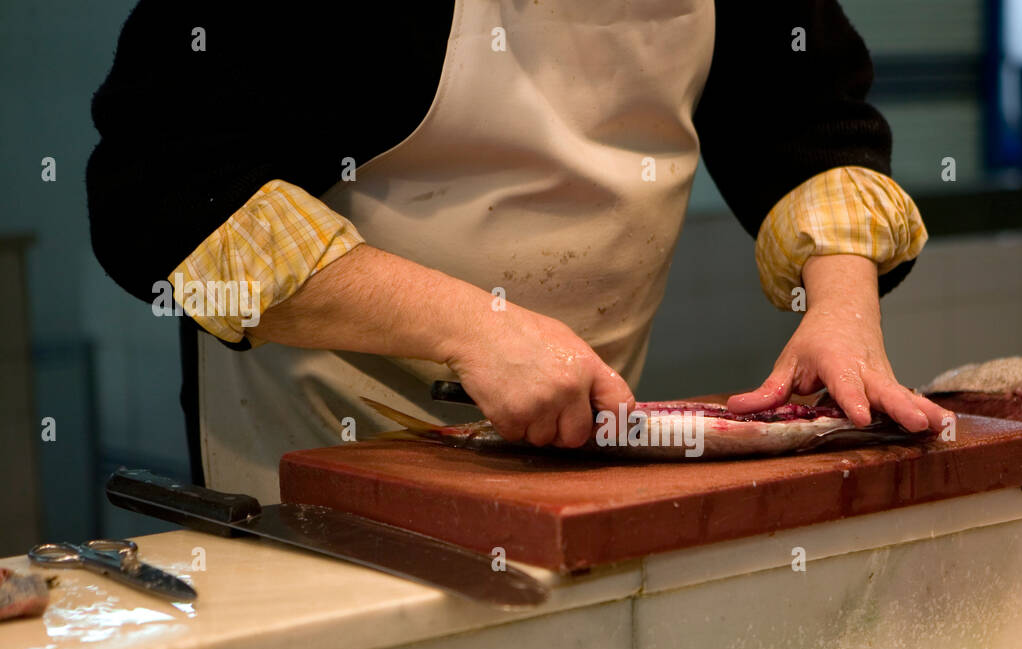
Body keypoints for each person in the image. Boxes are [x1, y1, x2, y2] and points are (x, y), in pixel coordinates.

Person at [87, 0, 947, 502]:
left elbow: (810, 120)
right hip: (316, 449)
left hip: (576, 450)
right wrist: (477, 329)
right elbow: (160, 194)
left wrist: (840, 305)